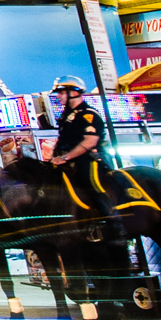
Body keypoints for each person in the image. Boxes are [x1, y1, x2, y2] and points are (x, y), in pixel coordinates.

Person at [47, 75, 113, 217]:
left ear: (73, 92)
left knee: (90, 185)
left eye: (61, 92)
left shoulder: (88, 114)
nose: (58, 96)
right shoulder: (67, 116)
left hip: (88, 159)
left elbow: (90, 142)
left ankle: (114, 222)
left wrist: (64, 157)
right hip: (65, 159)